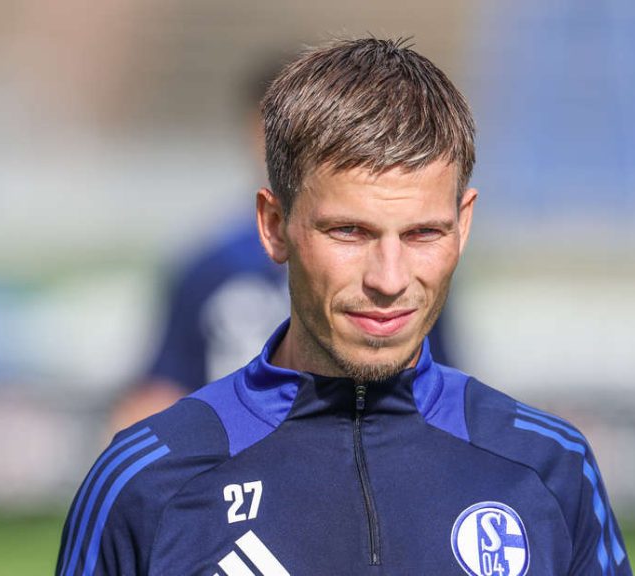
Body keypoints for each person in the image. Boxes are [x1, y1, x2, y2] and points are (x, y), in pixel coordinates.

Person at [57, 37, 631, 576]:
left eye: (423, 234)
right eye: (350, 232)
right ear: (275, 225)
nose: (389, 279)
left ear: (464, 225)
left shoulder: (549, 468)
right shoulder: (149, 483)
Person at [110, 52, 455, 431]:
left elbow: (443, 383)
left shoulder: (402, 266)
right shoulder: (210, 266)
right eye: (346, 232)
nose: (386, 278)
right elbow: (163, 387)